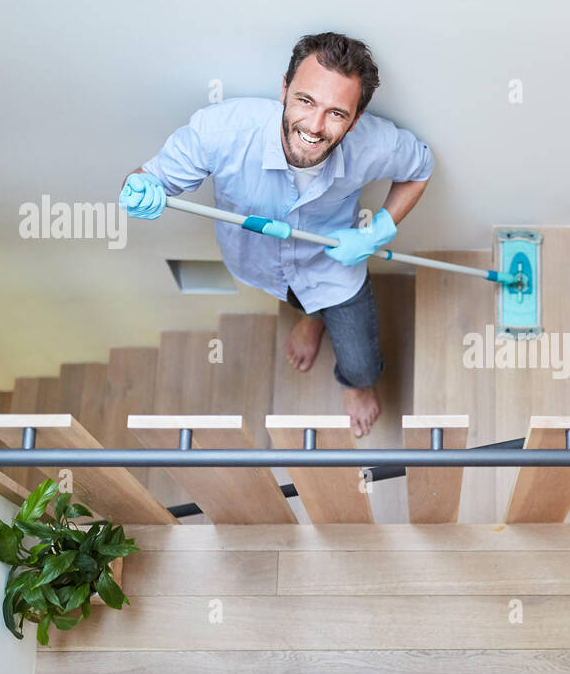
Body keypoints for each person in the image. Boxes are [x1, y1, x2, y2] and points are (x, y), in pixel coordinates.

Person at [119, 32, 433, 437]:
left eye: (337, 113)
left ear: (355, 120)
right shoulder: (223, 131)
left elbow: (420, 170)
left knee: (362, 364)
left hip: (335, 265)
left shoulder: (375, 143)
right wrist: (138, 188)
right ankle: (311, 318)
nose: (315, 127)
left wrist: (379, 231)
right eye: (305, 100)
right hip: (260, 262)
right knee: (295, 298)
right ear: (284, 88)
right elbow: (148, 178)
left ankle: (356, 385)